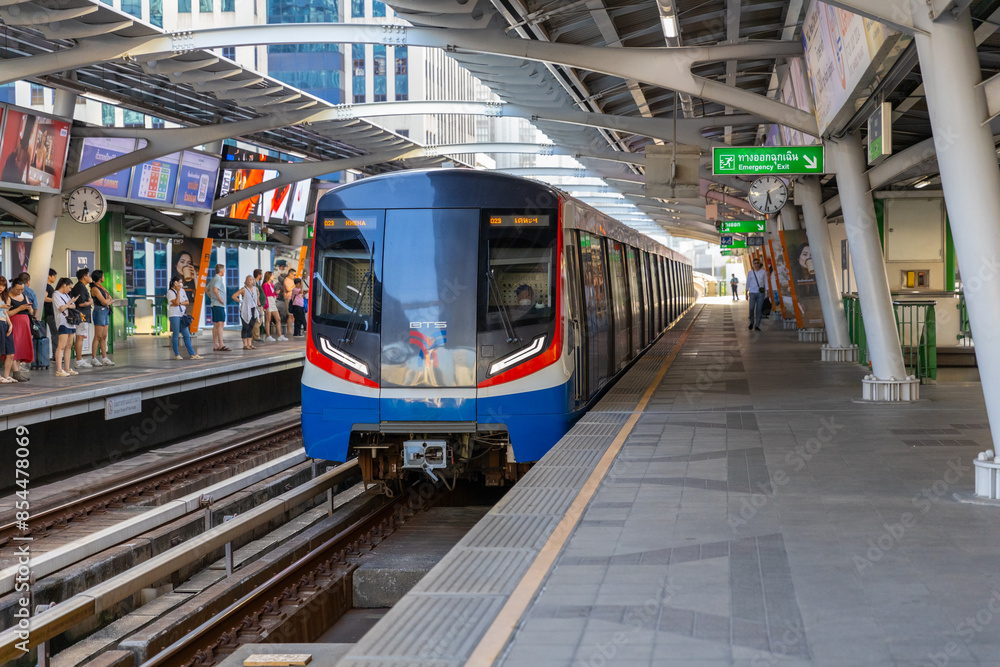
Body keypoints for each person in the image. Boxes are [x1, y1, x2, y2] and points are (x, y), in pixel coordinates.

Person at [167, 276, 202, 360]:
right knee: (176, 334)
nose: (181, 284)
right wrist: (178, 292)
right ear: (175, 283)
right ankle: (176, 354)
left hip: (182, 314)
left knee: (186, 334)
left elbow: (187, 302)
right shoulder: (170, 292)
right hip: (174, 315)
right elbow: (176, 302)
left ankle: (192, 354)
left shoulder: (183, 290)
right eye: (179, 282)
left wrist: (179, 303)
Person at [7, 278, 33, 381]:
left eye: (22, 289)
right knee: (15, 347)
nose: (20, 291)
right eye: (18, 289)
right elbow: (6, 313)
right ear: (13, 287)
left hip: (24, 324)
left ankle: (17, 371)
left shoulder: (24, 296)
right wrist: (19, 309)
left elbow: (30, 312)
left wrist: (29, 308)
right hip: (15, 324)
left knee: (21, 347)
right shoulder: (9, 297)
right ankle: (15, 372)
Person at [52, 277, 77, 377]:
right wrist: (69, 304)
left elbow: (73, 306)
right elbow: (61, 308)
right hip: (63, 322)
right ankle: (59, 369)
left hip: (71, 321)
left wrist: (68, 305)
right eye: (69, 287)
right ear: (64, 285)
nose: (70, 290)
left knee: (69, 345)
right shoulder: (56, 294)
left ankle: (67, 368)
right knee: (61, 346)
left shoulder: (66, 295)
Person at [71, 268, 94, 369]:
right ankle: (79, 360)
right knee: (79, 337)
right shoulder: (80, 287)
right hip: (81, 316)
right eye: (88, 275)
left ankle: (79, 359)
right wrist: (90, 302)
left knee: (80, 337)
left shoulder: (82, 287)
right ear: (84, 276)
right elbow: (81, 303)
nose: (90, 278)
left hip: (83, 315)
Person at [90, 270, 114, 366]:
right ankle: (94, 358)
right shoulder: (95, 288)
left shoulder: (102, 287)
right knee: (98, 336)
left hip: (106, 311)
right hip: (99, 311)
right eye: (103, 276)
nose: (104, 277)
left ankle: (104, 357)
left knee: (104, 336)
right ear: (99, 277)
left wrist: (108, 301)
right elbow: (104, 301)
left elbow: (111, 299)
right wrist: (108, 301)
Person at [232, 275, 261, 350]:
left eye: (251, 280)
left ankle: (249, 344)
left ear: (253, 281)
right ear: (246, 281)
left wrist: (259, 306)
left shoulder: (256, 289)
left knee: (251, 326)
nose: (249, 281)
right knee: (245, 326)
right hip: (245, 310)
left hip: (253, 309)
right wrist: (241, 301)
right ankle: (245, 344)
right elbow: (234, 296)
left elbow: (257, 298)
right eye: (248, 280)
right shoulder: (243, 289)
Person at [207, 263, 230, 352]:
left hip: (214, 304)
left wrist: (212, 297)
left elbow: (207, 289)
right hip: (218, 305)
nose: (224, 271)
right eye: (224, 270)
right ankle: (221, 344)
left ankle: (216, 344)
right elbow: (215, 289)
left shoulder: (213, 279)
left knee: (216, 325)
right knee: (220, 324)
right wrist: (220, 299)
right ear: (221, 271)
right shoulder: (218, 279)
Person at [261, 271, 286, 342]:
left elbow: (272, 294)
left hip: (272, 301)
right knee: (268, 319)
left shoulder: (271, 284)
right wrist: (266, 306)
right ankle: (268, 335)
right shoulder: (265, 285)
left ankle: (280, 335)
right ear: (269, 276)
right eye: (272, 275)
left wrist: (276, 293)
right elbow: (265, 295)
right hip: (268, 302)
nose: (273, 276)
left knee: (278, 319)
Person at [746, 259, 767, 332]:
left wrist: (767, 291)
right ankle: (752, 322)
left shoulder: (763, 272)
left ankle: (757, 325)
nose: (756, 264)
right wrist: (746, 292)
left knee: (759, 309)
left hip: (761, 293)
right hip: (752, 292)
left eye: (757, 263)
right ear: (753, 264)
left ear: (759, 264)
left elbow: (766, 282)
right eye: (755, 263)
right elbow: (748, 282)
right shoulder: (750, 273)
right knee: (751, 308)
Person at [43, 269, 57, 347]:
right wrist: (54, 300)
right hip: (50, 313)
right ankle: (56, 355)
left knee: (55, 333)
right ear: (49, 276)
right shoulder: (47, 287)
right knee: (55, 333)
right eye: (54, 276)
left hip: (51, 313)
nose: (55, 278)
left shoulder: (49, 287)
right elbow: (44, 298)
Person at [251, 269, 264, 343]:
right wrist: (258, 304)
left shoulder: (257, 283)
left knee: (259, 321)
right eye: (261, 274)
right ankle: (256, 337)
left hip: (260, 305)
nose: (262, 276)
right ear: (258, 275)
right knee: (258, 321)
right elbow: (256, 296)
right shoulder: (254, 284)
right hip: (257, 305)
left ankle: (256, 336)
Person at [283, 269, 297, 335]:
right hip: (288, 298)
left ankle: (292, 328)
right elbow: (289, 289)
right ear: (290, 274)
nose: (294, 276)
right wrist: (295, 285)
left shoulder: (292, 280)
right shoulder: (286, 280)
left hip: (293, 298)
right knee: (290, 314)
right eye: (294, 274)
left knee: (293, 315)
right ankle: (289, 330)